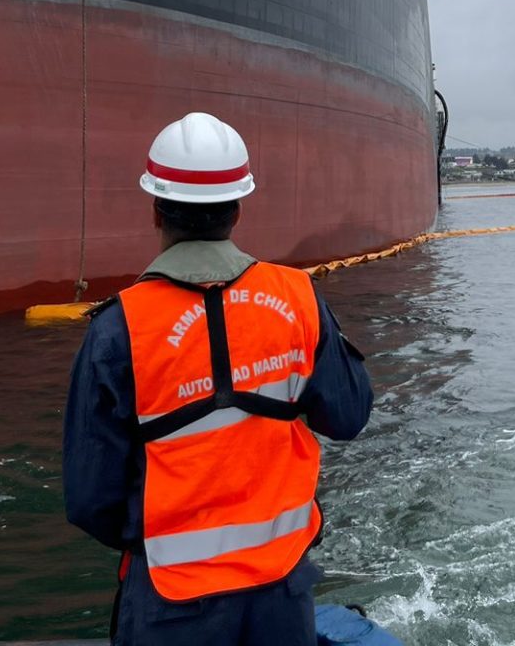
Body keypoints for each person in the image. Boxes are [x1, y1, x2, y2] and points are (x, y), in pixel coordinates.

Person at [65, 112, 373, 646]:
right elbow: (347, 417)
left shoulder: (118, 330)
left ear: (156, 209)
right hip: (282, 591)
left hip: (173, 600)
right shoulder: (298, 297)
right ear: (238, 207)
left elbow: (91, 499)